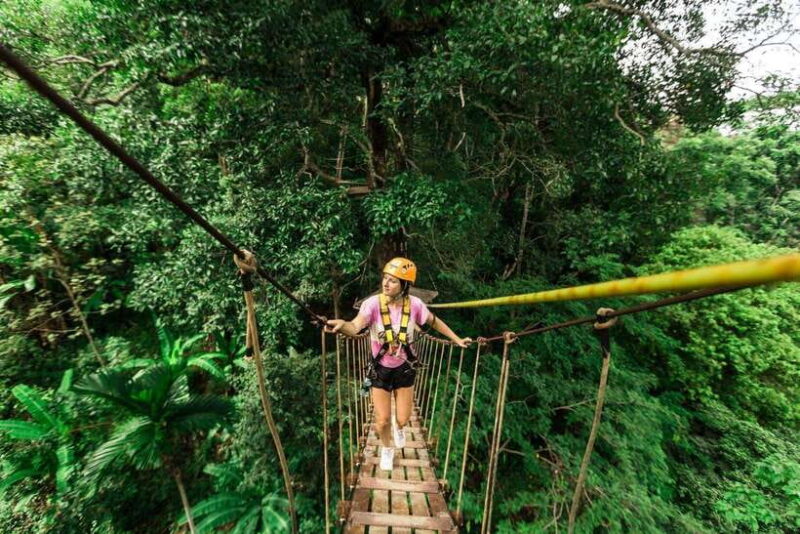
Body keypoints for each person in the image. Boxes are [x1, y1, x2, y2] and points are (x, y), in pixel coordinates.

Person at [326, 257, 471, 471]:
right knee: (382, 420)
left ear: (404, 285)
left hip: (405, 368)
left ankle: (400, 428)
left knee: (401, 419)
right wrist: (342, 325)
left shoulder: (415, 305)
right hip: (380, 369)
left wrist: (456, 339)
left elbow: (434, 322)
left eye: (393, 281)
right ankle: (387, 449)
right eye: (385, 278)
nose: (386, 284)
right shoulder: (372, 304)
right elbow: (355, 327)